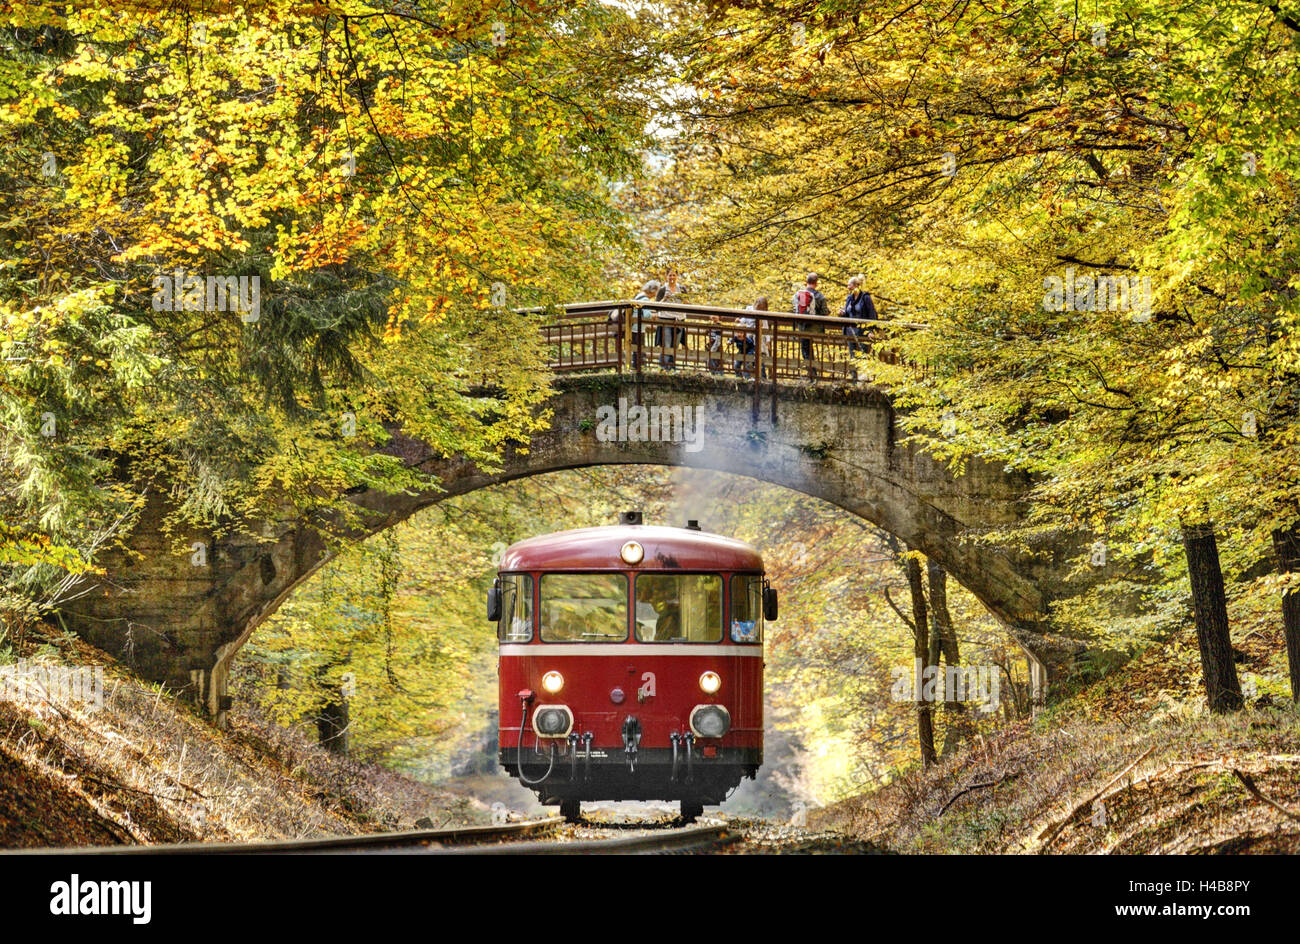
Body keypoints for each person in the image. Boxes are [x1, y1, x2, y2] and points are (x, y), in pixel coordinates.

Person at [792, 272, 829, 370]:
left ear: (806, 282)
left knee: (806, 350)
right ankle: (813, 373)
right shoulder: (820, 296)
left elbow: (794, 310)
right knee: (809, 350)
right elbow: (825, 312)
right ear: (816, 283)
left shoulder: (798, 295)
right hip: (815, 329)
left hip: (802, 328)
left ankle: (812, 373)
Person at [652, 272, 686, 369]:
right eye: (670, 275)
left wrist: (682, 298)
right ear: (666, 276)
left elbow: (688, 303)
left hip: (679, 320)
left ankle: (672, 366)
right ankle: (664, 367)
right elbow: (656, 306)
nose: (672, 277)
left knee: (675, 345)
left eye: (674, 275)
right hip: (665, 320)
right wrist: (664, 298)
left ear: (677, 277)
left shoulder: (682, 289)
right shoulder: (662, 289)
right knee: (666, 344)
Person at [841, 275, 878, 355]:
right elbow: (847, 313)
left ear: (856, 285)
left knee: (863, 354)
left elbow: (872, 314)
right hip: (850, 331)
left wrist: (870, 330)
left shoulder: (865, 297)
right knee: (852, 355)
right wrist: (842, 313)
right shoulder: (849, 298)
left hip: (863, 332)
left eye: (849, 285)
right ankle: (852, 368)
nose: (848, 287)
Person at [732, 296, 766, 377]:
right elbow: (745, 319)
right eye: (758, 307)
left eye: (762, 308)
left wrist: (767, 341)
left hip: (758, 339)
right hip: (747, 337)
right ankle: (741, 377)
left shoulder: (764, 315)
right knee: (743, 359)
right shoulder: (749, 309)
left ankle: (762, 377)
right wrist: (740, 321)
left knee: (758, 358)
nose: (759, 309)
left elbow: (765, 327)